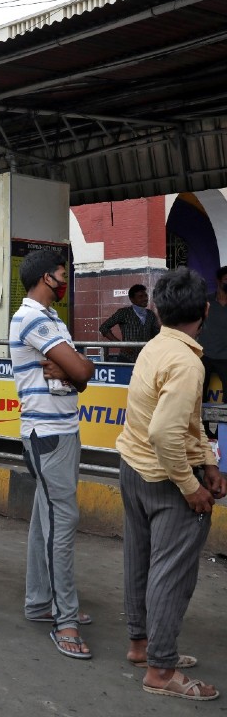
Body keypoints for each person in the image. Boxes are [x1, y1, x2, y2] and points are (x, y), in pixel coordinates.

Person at [116, 268, 224, 701]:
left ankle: (142, 646)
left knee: (140, 560)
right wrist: (191, 485)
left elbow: (185, 422)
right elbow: (166, 432)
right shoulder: (186, 361)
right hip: (164, 476)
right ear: (205, 310)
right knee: (171, 573)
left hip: (133, 468)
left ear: (157, 309)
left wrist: (208, 462)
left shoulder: (157, 347)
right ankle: (161, 670)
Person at [10, 249, 95, 660]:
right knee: (63, 520)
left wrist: (75, 367)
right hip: (47, 433)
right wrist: (75, 368)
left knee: (48, 517)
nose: (66, 280)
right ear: (47, 277)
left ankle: (40, 601)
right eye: (63, 274)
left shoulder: (53, 320)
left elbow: (84, 369)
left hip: (64, 429)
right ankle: (65, 619)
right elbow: (81, 372)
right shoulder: (32, 318)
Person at [99, 284, 160, 362]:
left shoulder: (150, 314)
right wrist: (120, 345)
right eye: (140, 296)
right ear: (132, 299)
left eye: (146, 295)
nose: (145, 298)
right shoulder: (124, 313)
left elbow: (156, 334)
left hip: (146, 359)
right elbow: (103, 327)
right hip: (127, 359)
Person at [198, 266, 227, 403]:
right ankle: (203, 425)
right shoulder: (205, 301)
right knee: (200, 397)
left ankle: (223, 426)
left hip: (226, 357)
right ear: (218, 281)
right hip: (205, 355)